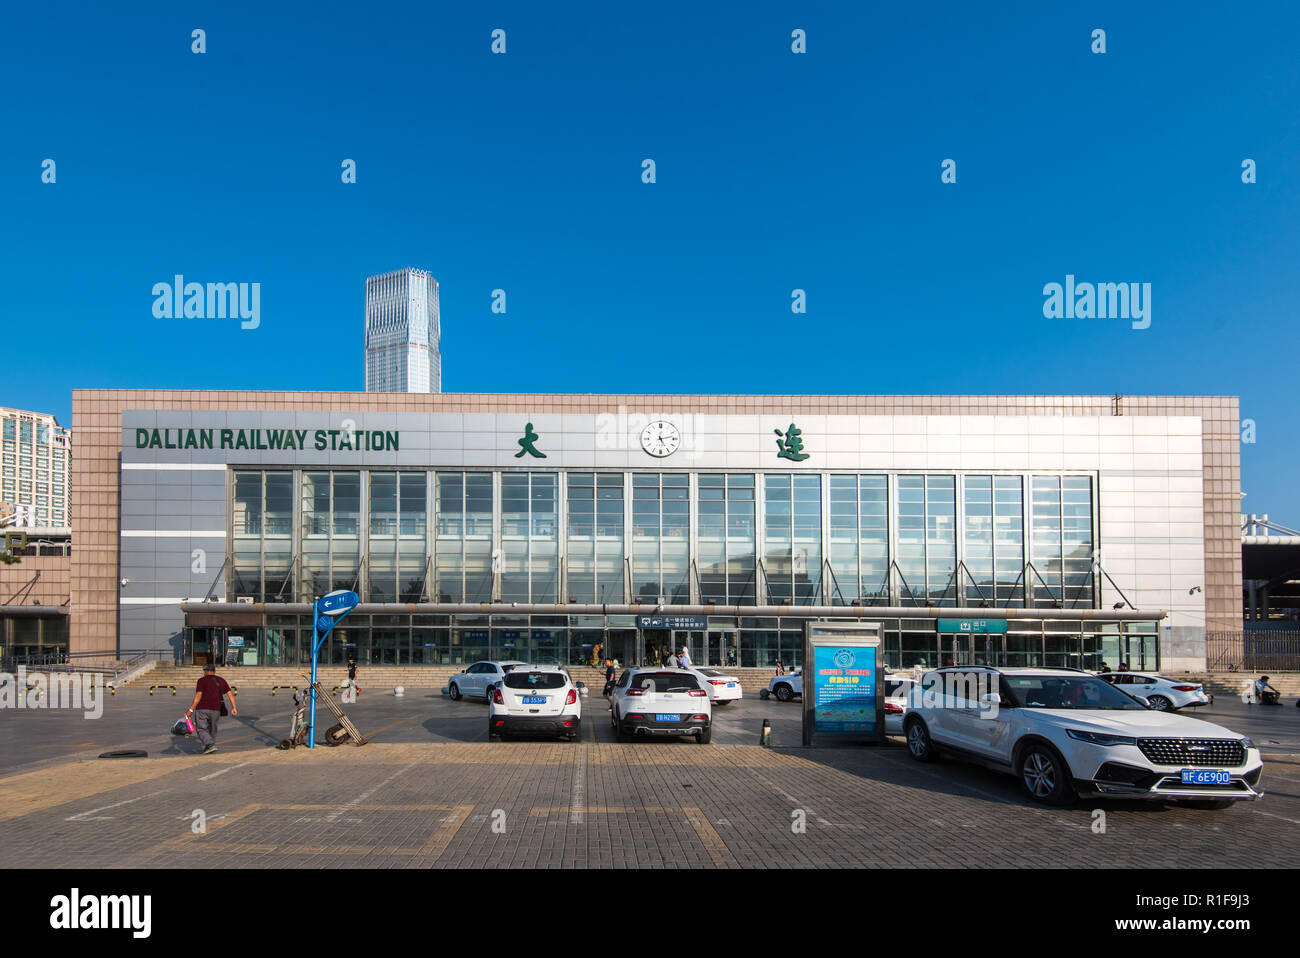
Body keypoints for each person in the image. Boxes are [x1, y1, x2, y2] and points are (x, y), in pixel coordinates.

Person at [185, 662, 237, 754]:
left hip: (202, 708)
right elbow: (230, 694)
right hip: (216, 709)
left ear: (204, 671)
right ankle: (209, 746)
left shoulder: (201, 680)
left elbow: (198, 695)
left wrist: (191, 709)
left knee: (201, 728)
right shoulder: (221, 680)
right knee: (213, 729)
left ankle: (210, 744)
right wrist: (234, 707)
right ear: (214, 671)